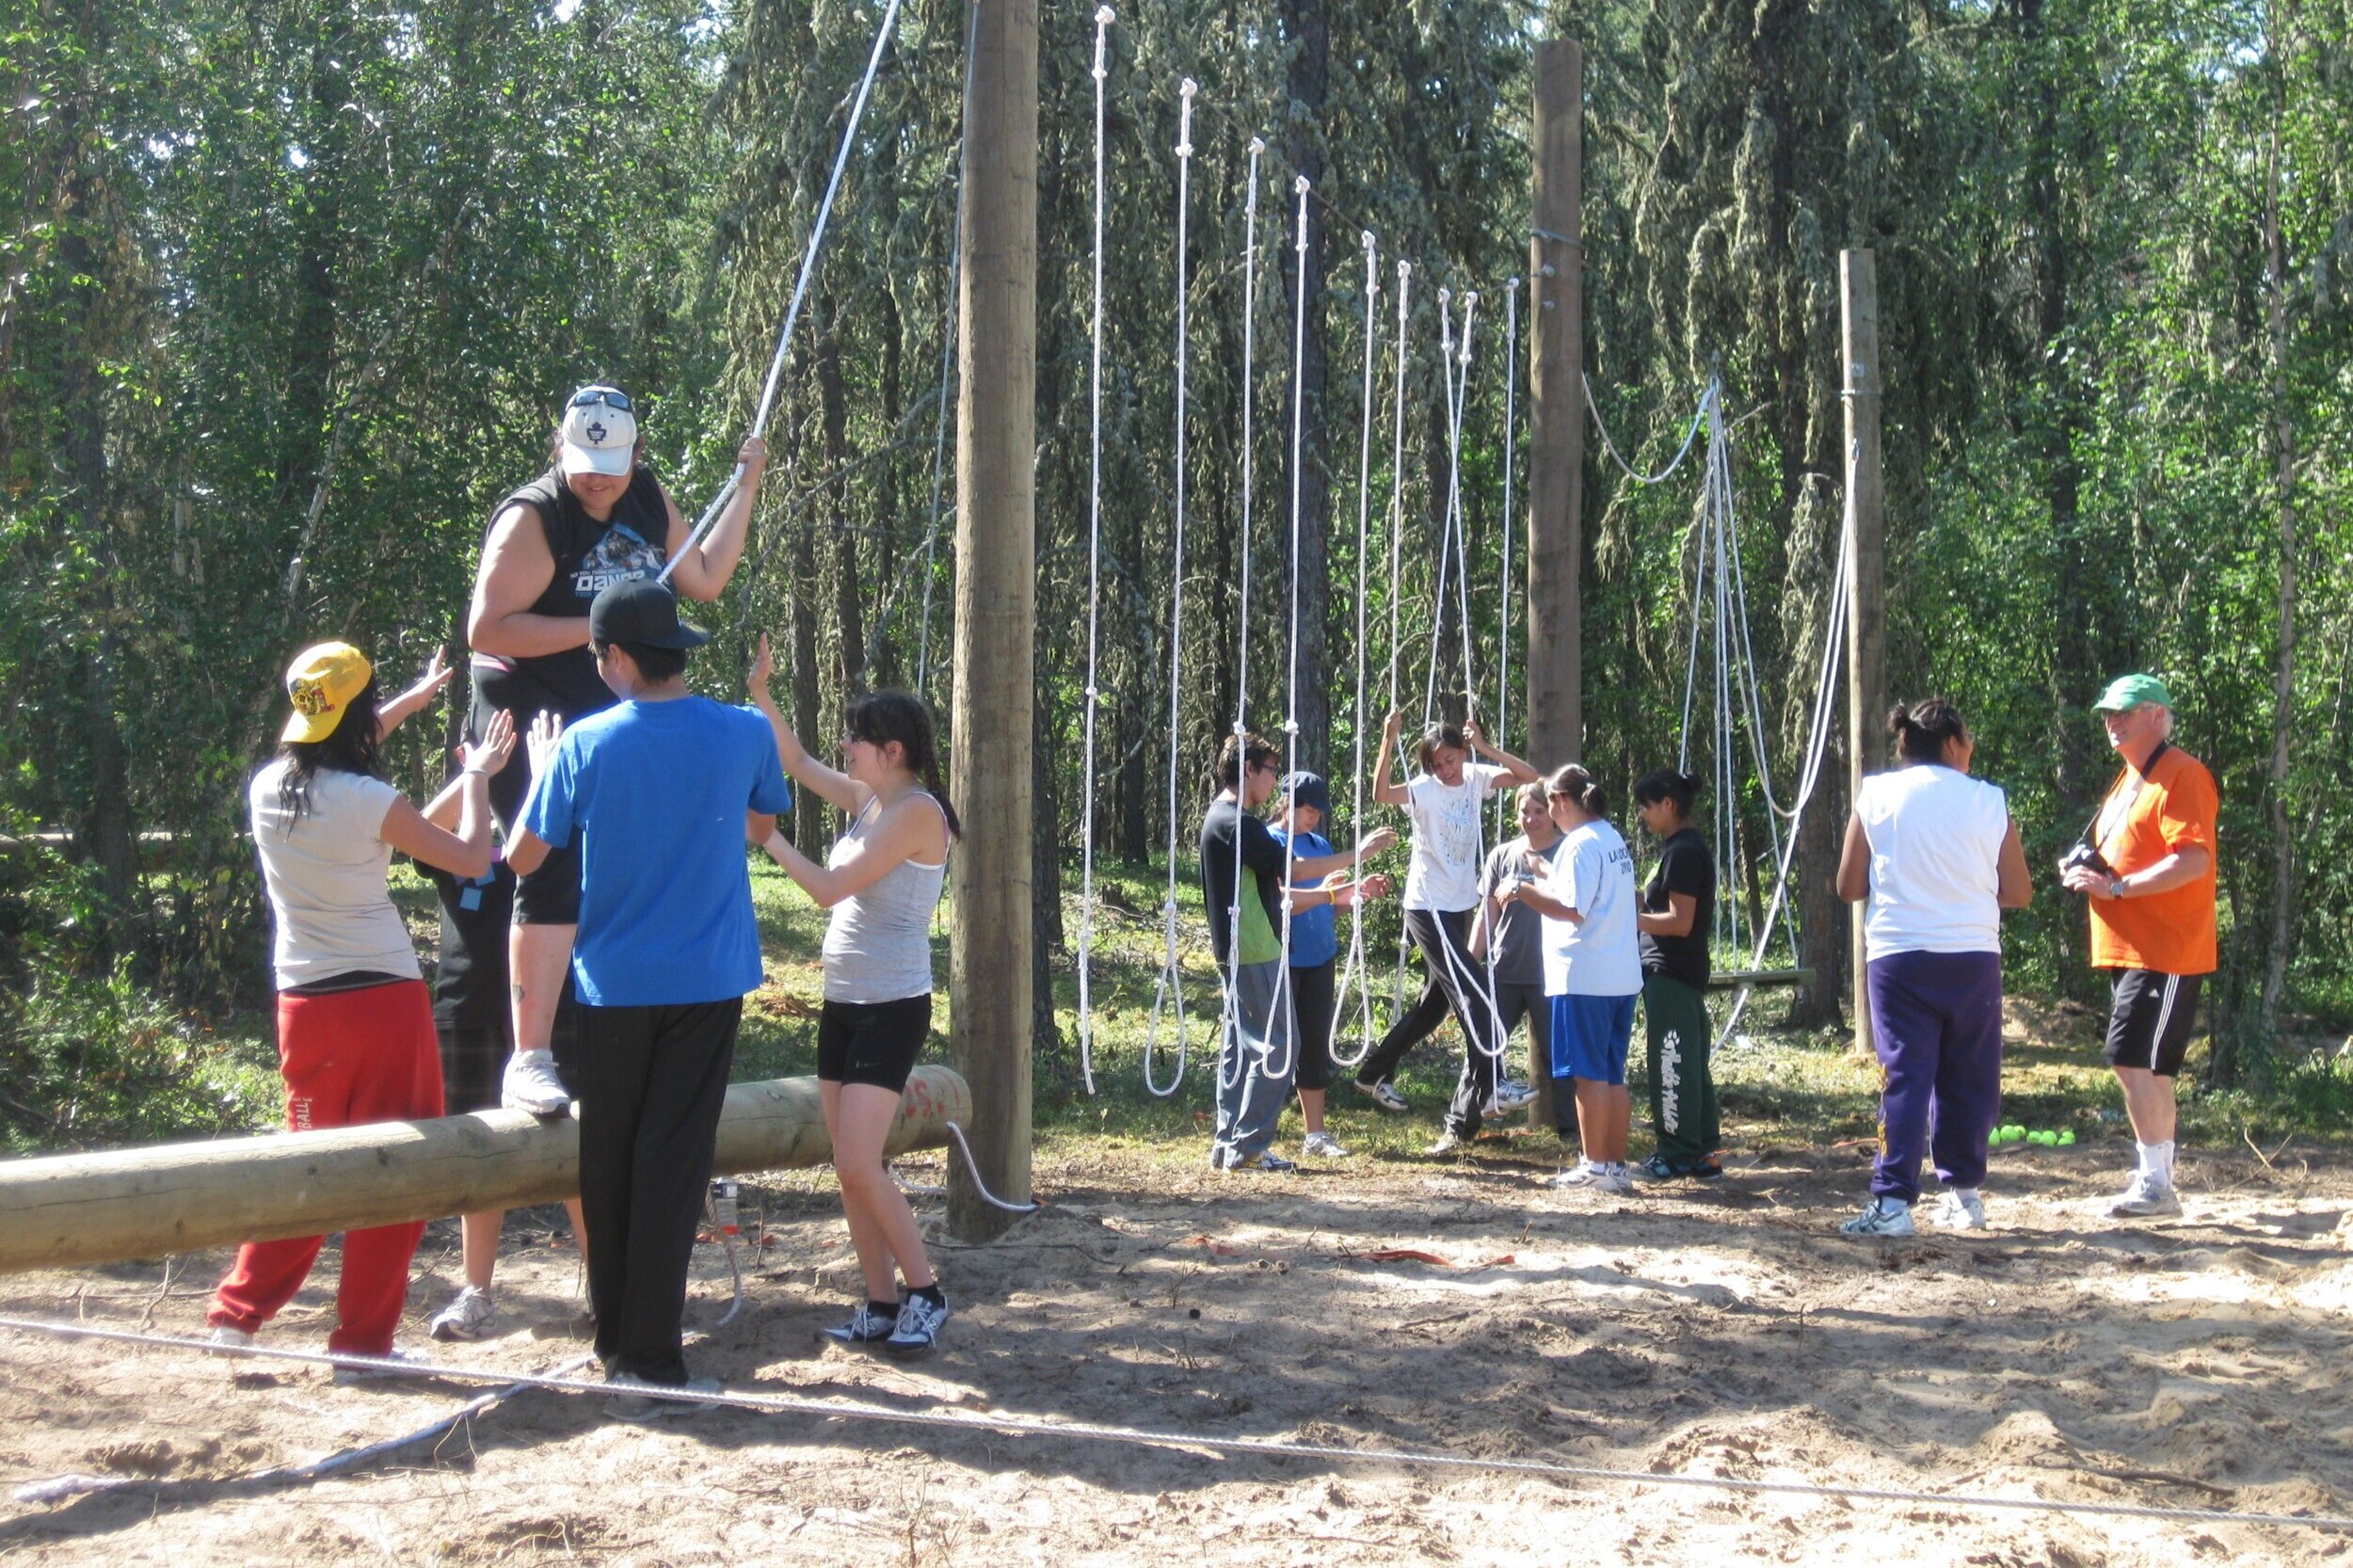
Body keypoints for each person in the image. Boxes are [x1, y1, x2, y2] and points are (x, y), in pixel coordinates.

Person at [504, 579, 792, 1419]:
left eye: (598, 655)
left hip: (613, 984)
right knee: (674, 1159)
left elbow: (523, 859)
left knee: (612, 1158)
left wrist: (538, 771)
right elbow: (763, 824)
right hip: (707, 977)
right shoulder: (743, 732)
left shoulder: (584, 744)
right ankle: (650, 1352)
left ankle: (621, 1342)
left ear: (618, 657)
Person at [465, 384, 768, 1119]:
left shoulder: (647, 500)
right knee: (550, 860)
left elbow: (705, 579)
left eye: (610, 460)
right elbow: (486, 628)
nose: (596, 477)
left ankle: (612, 1026)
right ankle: (528, 1056)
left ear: (634, 453)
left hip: (608, 702)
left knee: (627, 862)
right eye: (581, 461)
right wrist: (601, 624)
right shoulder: (534, 519)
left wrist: (748, 484)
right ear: (560, 453)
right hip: (529, 714)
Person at [206, 642, 507, 1375]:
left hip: (304, 1007)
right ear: (354, 717)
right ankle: (363, 1342)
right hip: (384, 1003)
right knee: (397, 1172)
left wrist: (408, 700)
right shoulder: (370, 801)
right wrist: (475, 778)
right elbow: (470, 857)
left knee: (306, 1167)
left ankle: (236, 1315)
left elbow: (342, 730)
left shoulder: (266, 789)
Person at [748, 640, 960, 1352]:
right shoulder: (874, 800)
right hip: (845, 1002)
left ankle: (925, 1293)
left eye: (857, 739)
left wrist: (770, 841)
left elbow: (829, 891)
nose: (846, 747)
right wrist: (764, 697)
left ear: (891, 750)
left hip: (891, 1008)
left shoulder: (916, 813)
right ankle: (877, 1299)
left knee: (860, 1162)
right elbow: (800, 764)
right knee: (847, 1165)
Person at [1835, 699, 2032, 1236]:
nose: (1972, 750)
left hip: (1898, 957)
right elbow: (2018, 891)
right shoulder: (1989, 800)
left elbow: (1848, 885)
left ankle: (1893, 1203)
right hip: (1972, 957)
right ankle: (1964, 1197)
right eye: (1968, 740)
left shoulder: (1875, 793)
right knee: (1969, 1075)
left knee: (1902, 1078)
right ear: (1951, 743)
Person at [2058, 673, 2217, 1220]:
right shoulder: (2129, 779)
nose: (2111, 720)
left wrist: (2117, 887)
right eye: (2106, 711)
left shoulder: (2182, 775)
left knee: (2130, 1061)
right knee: (2152, 1068)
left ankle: (2156, 1186)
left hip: (2165, 950)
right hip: (2128, 948)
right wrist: (2088, 869)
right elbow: (2123, 852)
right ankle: (2159, 1182)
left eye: (2123, 711)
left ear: (2157, 714)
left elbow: (2193, 859)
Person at [1199, 733, 1388, 1173]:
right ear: (1249, 770)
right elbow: (1292, 869)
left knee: (1242, 1049)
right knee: (1281, 1046)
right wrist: (1356, 855)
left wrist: (1337, 890)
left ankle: (1230, 1143)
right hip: (1253, 947)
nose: (1274, 782)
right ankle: (1247, 1145)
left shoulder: (1227, 818)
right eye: (1269, 772)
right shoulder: (1235, 822)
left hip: (1242, 948)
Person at [1353, 712, 1544, 1145]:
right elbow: (1382, 792)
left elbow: (1530, 777)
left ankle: (1372, 1072)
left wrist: (1487, 747)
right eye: (1437, 764)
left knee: (1434, 1007)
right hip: (1427, 908)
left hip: (1458, 907)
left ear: (1462, 752)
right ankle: (1494, 1084)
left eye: (1451, 760)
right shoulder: (1423, 790)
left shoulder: (1476, 777)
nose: (1445, 769)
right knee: (1477, 996)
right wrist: (1388, 739)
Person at [1508, 765, 1641, 1193]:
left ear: (1562, 802)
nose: (1547, 813)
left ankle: (1595, 1165)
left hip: (1585, 975)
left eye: (1548, 804)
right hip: (1617, 975)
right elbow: (1588, 892)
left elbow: (1572, 909)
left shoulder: (1579, 845)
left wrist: (1521, 889)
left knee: (1587, 1076)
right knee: (1610, 1074)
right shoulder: (1609, 837)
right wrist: (1545, 875)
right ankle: (1615, 1165)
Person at [1271, 772, 1396, 1159]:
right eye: (1308, 810)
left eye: (1318, 812)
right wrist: (1334, 888)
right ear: (1287, 802)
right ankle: (1260, 1129)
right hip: (1280, 958)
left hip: (1319, 956)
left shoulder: (1320, 845)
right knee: (1275, 1045)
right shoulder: (1269, 842)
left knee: (1313, 1046)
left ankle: (1316, 1134)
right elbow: (1283, 899)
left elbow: (1328, 906)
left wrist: (1357, 893)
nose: (1314, 818)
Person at [1469, 782, 1576, 1151]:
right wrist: (1469, 967)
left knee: (1559, 1056)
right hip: (1505, 972)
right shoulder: (1502, 855)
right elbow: (1486, 916)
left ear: (1552, 812)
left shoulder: (1567, 852)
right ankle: (1462, 1125)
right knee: (1483, 1048)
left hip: (1554, 974)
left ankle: (1573, 1134)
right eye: (1524, 812)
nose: (1530, 819)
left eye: (1538, 811)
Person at [1631, 769, 1721, 1180]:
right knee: (1691, 1061)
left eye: (1647, 806)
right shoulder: (1678, 848)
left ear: (1668, 804)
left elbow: (1680, 921)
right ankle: (1703, 1151)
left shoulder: (1684, 852)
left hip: (1672, 972)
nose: (1642, 815)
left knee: (1672, 1062)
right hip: (1676, 973)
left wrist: (1634, 921)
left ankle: (1678, 1153)